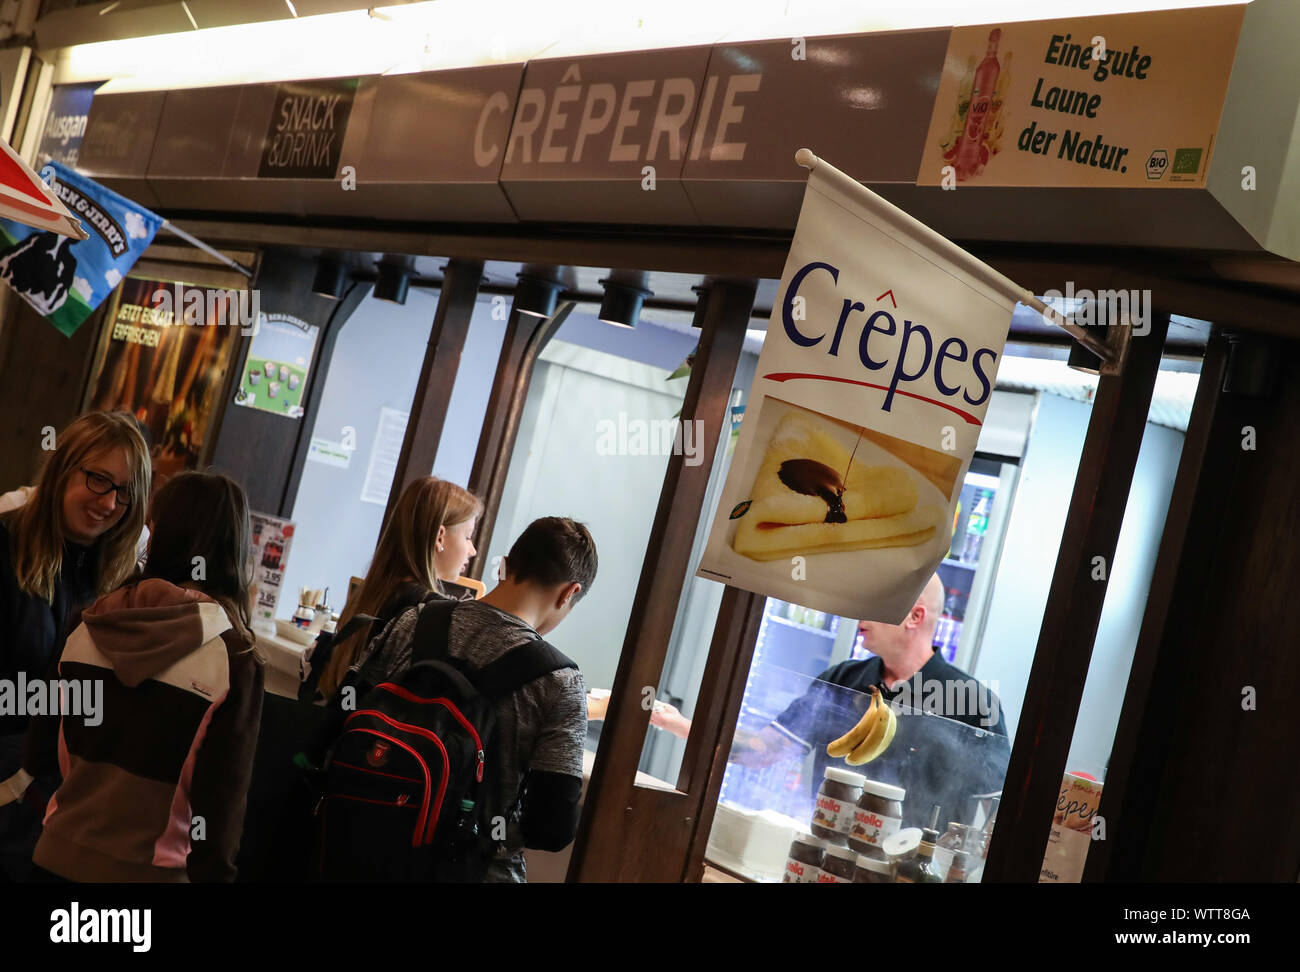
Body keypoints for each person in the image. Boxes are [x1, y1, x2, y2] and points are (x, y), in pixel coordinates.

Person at [22, 471, 265, 882]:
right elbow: (217, 823)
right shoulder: (234, 658)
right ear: (236, 549)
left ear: (157, 533)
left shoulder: (87, 624)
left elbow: (38, 756)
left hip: (53, 859)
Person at [350, 516, 597, 882]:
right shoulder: (559, 681)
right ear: (569, 592)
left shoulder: (413, 620)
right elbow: (552, 827)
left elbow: (349, 710)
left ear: (506, 566)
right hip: (474, 870)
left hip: (358, 844)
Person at [0, 411, 151, 881]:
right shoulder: (5, 542)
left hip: (60, 808)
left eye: (125, 492)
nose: (109, 503)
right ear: (65, 467)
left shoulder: (122, 581)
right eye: (99, 480)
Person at [733, 574, 1009, 828]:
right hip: (822, 857)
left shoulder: (971, 701)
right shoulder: (841, 679)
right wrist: (692, 730)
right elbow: (765, 750)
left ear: (914, 616)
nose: (860, 614)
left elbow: (1000, 805)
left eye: (876, 605)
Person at [311, 476, 482, 699]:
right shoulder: (430, 611)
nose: (472, 550)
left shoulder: (372, 591)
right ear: (440, 536)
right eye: (468, 537)